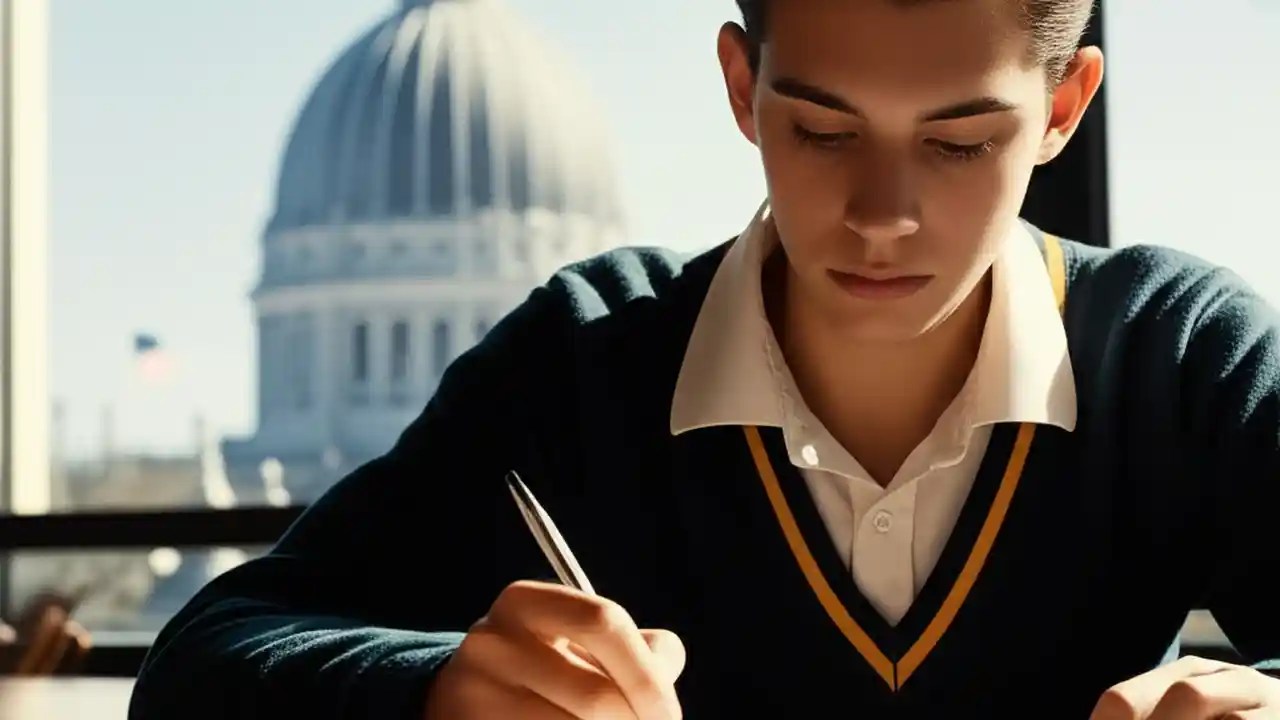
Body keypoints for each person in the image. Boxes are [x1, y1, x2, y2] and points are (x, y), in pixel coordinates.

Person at [129, 0, 1280, 717]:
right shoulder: (580, 363)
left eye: (957, 141)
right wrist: (433, 693)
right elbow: (200, 664)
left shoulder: (1181, 360)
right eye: (821, 130)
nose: (883, 214)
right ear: (740, 86)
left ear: (1064, 105)